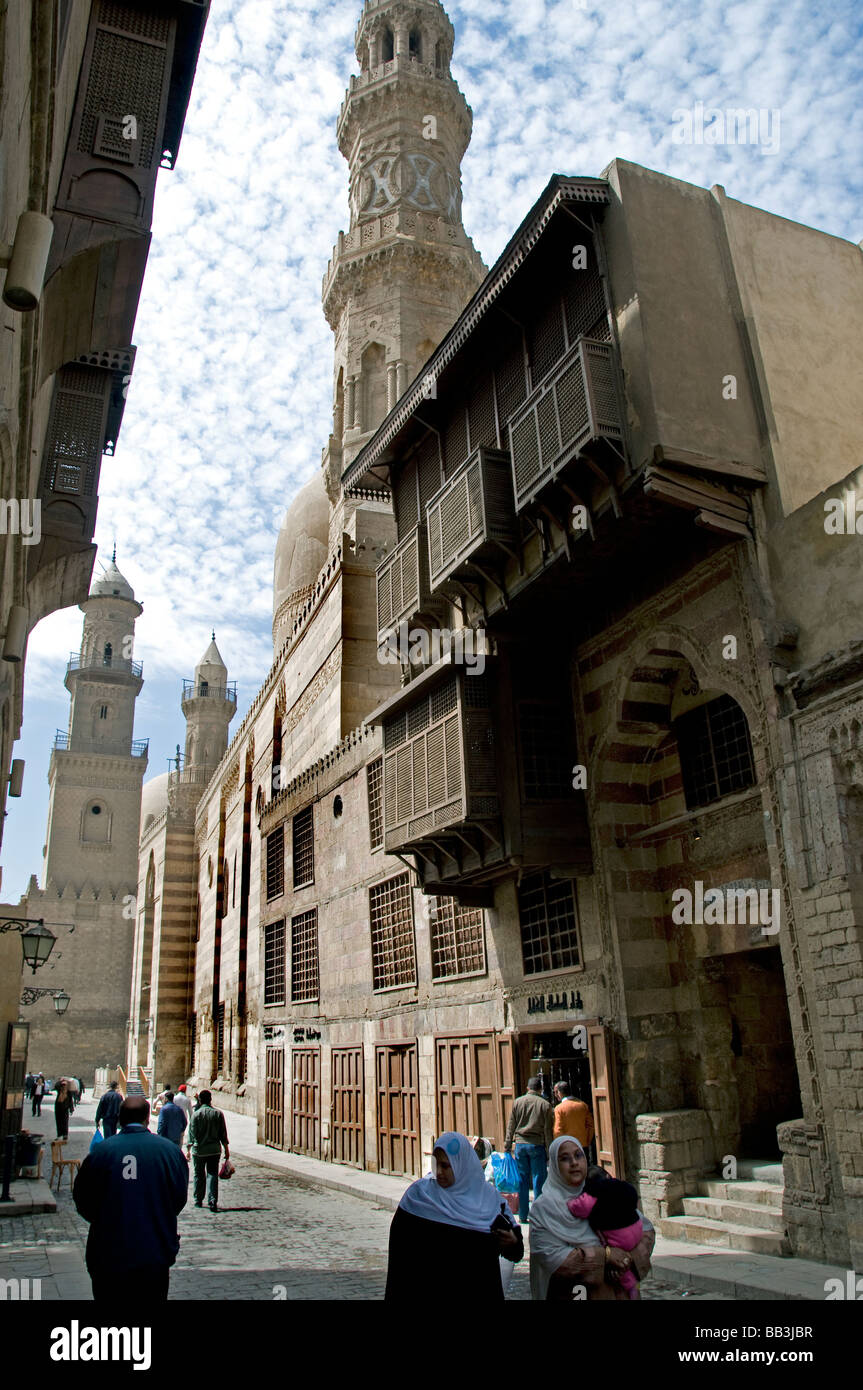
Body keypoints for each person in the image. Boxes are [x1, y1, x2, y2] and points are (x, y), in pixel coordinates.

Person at [73, 1095, 188, 1302]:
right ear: (147, 1119)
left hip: (108, 1252)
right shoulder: (170, 1152)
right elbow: (178, 1198)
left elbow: (83, 1199)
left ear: (120, 1119)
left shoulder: (101, 1151)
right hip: (154, 1251)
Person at [385, 1131, 523, 1302]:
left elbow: (516, 1252)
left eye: (445, 1166)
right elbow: (400, 1257)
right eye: (436, 1164)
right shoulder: (419, 1197)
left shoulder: (490, 1201)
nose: (439, 1172)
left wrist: (512, 1242)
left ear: (462, 1164)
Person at [529, 1138, 655, 1301]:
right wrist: (606, 1256)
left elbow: (645, 1229)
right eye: (565, 1158)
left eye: (578, 1156)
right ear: (554, 1165)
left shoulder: (603, 1192)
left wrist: (626, 1259)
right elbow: (554, 1258)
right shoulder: (545, 1208)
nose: (574, 1163)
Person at [567, 1170, 644, 1299]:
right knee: (627, 1264)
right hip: (637, 1228)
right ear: (608, 1176)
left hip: (619, 1237)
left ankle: (631, 1287)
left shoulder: (593, 1192)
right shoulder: (621, 1185)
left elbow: (580, 1208)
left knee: (619, 1268)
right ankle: (635, 1287)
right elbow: (633, 1197)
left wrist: (570, 1203)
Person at [504, 1075, 554, 1222]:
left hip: (520, 1145)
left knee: (523, 1181)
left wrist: (507, 1146)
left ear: (527, 1088)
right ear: (541, 1089)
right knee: (539, 1180)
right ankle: (538, 1215)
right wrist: (550, 1150)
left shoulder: (517, 1102)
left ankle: (523, 1215)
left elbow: (511, 1126)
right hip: (537, 1145)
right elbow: (547, 1130)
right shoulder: (545, 1105)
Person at [186, 1090, 229, 1211]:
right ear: (210, 1099)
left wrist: (189, 1150)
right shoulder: (218, 1114)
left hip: (199, 1150)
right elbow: (223, 1134)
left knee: (199, 1175)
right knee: (212, 1174)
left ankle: (198, 1199)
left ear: (199, 1100)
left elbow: (192, 1134)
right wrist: (226, 1149)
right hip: (214, 1150)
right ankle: (212, 1200)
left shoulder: (196, 1115)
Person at [553, 1081, 595, 1149]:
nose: (555, 1095)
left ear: (559, 1093)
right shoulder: (583, 1105)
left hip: (567, 1147)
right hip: (583, 1144)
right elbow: (590, 1126)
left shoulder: (559, 1108)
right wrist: (587, 1141)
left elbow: (558, 1130)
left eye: (555, 1092)